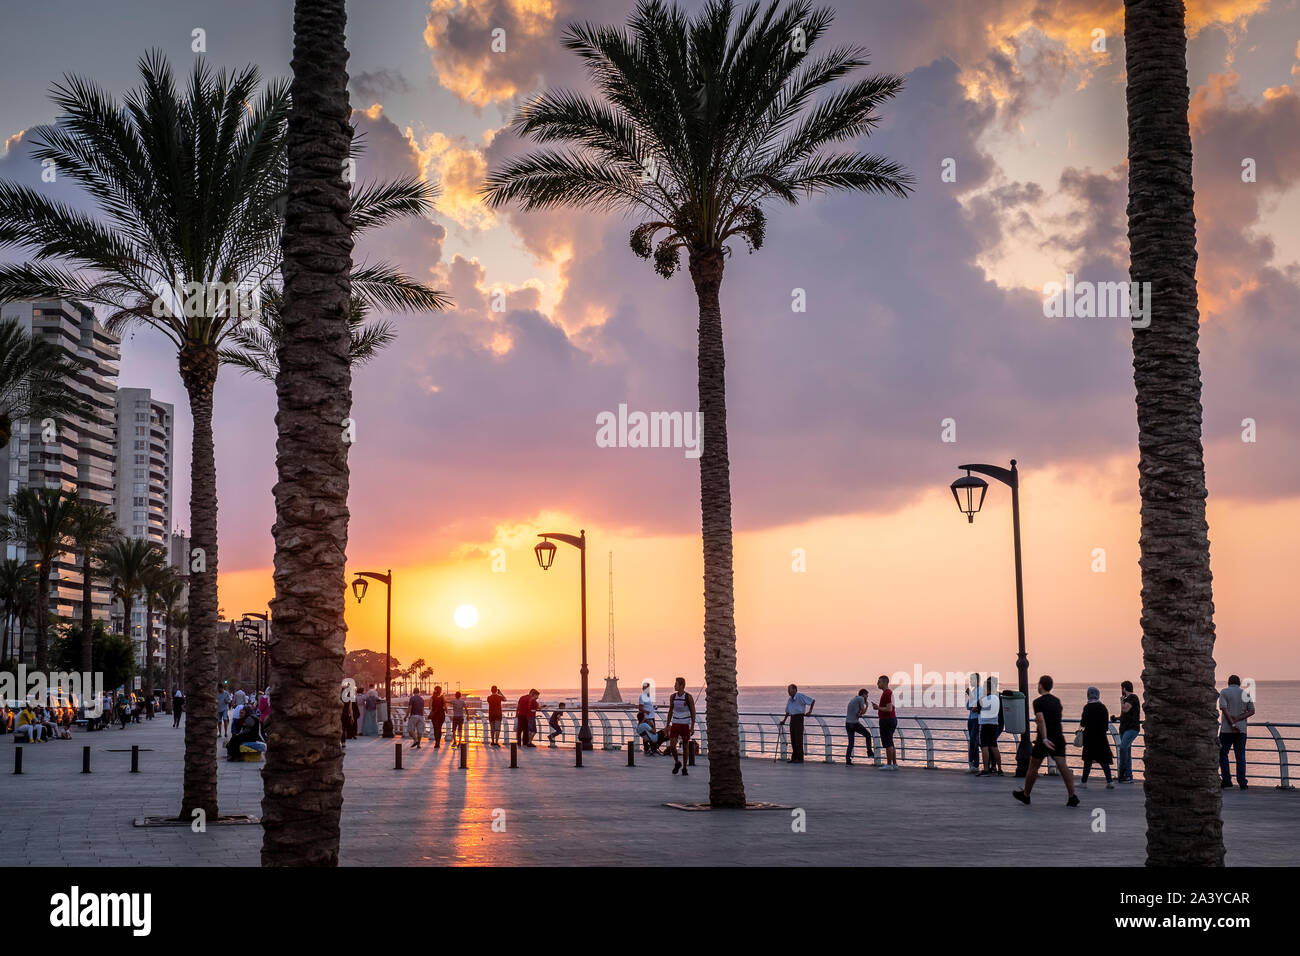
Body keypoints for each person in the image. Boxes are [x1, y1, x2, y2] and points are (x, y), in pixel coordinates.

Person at [1013, 675, 1079, 807]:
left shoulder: (1038, 702)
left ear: (1041, 685)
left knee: (1033, 768)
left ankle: (1026, 795)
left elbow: (1040, 720)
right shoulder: (1057, 701)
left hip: (1044, 740)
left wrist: (1044, 739)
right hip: (1058, 738)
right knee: (1063, 767)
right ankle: (1072, 796)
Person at [1218, 674, 1254, 790]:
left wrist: (1232, 723)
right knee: (1240, 756)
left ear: (1228, 682)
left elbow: (1224, 708)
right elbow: (1252, 711)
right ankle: (1242, 782)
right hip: (1242, 730)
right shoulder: (1245, 693)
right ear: (1239, 683)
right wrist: (1238, 719)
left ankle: (1227, 780)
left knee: (1223, 754)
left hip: (1226, 730)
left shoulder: (1224, 692)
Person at [1078, 686, 1114, 789]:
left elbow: (1083, 723)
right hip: (1101, 738)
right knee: (1104, 761)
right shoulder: (1103, 708)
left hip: (1089, 738)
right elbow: (1106, 726)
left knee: (1088, 761)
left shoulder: (1087, 708)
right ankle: (1110, 781)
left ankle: (1084, 782)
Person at [1110, 680, 1141, 783]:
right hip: (1124, 729)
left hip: (1131, 729)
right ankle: (1127, 776)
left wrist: (1121, 701)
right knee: (1126, 751)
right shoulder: (1127, 699)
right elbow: (1124, 714)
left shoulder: (1133, 698)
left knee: (1123, 748)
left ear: (1123, 688)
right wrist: (1117, 718)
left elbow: (1125, 709)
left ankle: (1124, 774)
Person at [665, 677, 696, 776]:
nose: (674, 686)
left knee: (685, 746)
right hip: (675, 723)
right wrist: (667, 724)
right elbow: (670, 711)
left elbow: (693, 712)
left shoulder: (688, 697)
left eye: (676, 684)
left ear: (681, 686)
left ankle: (685, 768)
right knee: (672, 746)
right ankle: (677, 762)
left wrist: (692, 726)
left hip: (685, 724)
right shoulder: (673, 697)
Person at [779, 684, 815, 763]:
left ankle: (800, 758)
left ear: (795, 690)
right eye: (788, 690)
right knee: (793, 739)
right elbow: (787, 711)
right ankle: (794, 757)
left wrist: (810, 711)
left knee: (798, 738)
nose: (788, 691)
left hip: (799, 718)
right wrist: (784, 720)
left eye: (790, 690)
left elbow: (812, 701)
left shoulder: (800, 696)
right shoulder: (789, 699)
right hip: (792, 718)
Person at [870, 675, 899, 770]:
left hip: (886, 720)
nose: (877, 683)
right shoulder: (888, 693)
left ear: (884, 682)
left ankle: (889, 764)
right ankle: (894, 764)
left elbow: (889, 709)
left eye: (879, 682)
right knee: (890, 742)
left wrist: (878, 708)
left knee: (887, 743)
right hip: (891, 719)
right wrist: (878, 707)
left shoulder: (887, 693)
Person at [977, 677, 1002, 776]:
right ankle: (1000, 769)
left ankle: (986, 769)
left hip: (985, 724)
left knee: (984, 747)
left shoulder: (983, 699)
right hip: (994, 724)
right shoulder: (997, 699)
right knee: (994, 746)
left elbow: (977, 709)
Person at [844, 688, 875, 765]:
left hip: (848, 723)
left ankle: (848, 761)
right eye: (867, 696)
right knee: (868, 735)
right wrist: (867, 706)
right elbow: (863, 712)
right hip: (854, 723)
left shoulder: (854, 699)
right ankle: (870, 753)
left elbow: (858, 713)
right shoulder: (861, 698)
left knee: (851, 743)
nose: (867, 697)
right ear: (863, 694)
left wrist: (859, 713)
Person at [966, 672, 982, 773]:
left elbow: (976, 705)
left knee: (973, 741)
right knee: (973, 741)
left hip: (976, 719)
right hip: (971, 719)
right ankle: (973, 764)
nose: (970, 681)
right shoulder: (974, 691)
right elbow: (968, 706)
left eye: (972, 679)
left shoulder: (980, 691)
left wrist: (969, 695)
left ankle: (974, 764)